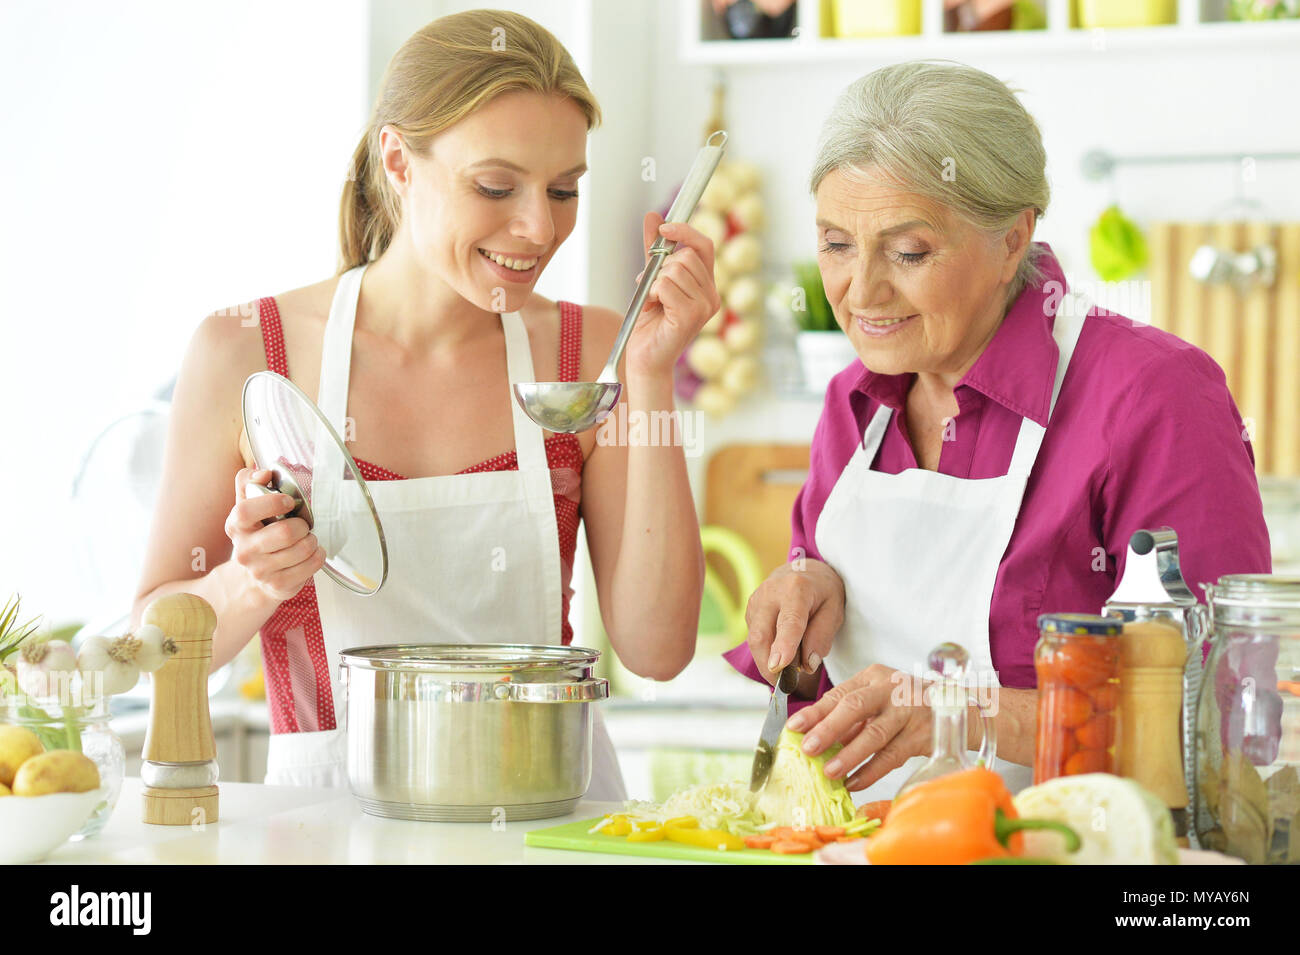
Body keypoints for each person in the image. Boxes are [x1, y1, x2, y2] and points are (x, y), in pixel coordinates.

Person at [132, 10, 717, 798]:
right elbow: (148, 646)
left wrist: (648, 376)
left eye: (564, 189)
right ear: (399, 161)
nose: (539, 228)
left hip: (550, 811)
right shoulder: (248, 350)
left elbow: (656, 649)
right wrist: (251, 580)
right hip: (329, 826)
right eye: (496, 186)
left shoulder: (594, 355)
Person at [730, 60, 1271, 801]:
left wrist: (961, 713)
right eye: (835, 244)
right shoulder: (854, 402)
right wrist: (813, 584)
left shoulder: (1153, 395)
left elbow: (1216, 714)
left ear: (1013, 240)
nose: (861, 291)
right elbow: (826, 678)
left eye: (909, 251)